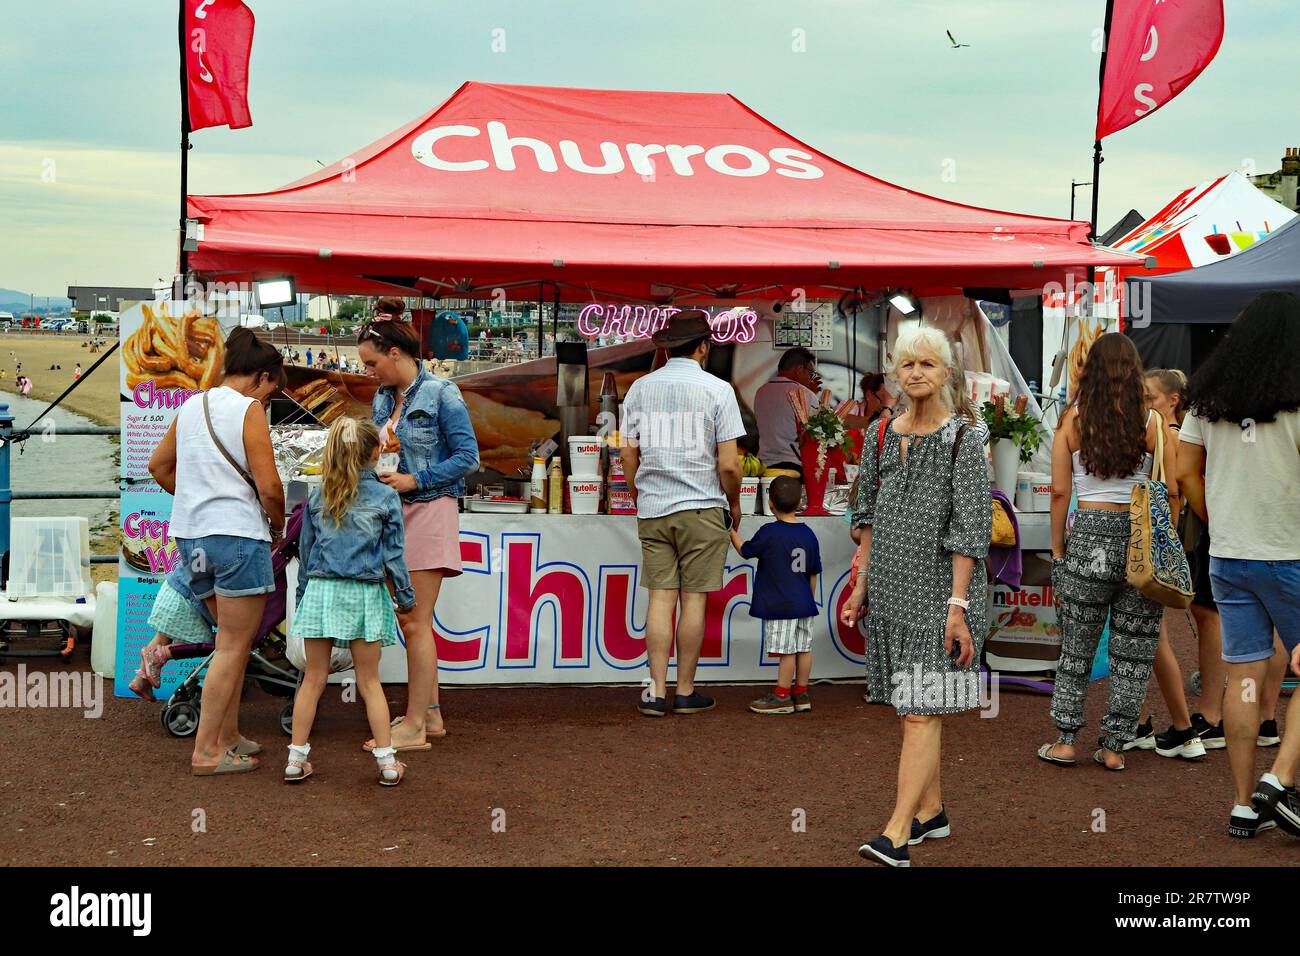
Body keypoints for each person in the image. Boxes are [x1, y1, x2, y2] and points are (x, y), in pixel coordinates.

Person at [843, 325, 991, 867]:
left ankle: (897, 833)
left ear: (947, 374)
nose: (916, 374)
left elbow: (971, 529)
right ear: (895, 373)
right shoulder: (879, 433)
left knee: (920, 710)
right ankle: (931, 810)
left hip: (942, 597)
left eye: (928, 364)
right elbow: (869, 518)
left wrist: (959, 609)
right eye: (908, 365)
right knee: (915, 706)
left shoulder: (964, 439)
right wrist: (860, 585)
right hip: (889, 591)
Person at [1177, 290, 1300, 840]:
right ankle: (1281, 777)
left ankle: (1244, 803)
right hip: (1292, 553)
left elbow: (1184, 473)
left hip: (1230, 556)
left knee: (1244, 678)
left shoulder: (1208, 399)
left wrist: (1220, 517)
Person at [148, 327, 286, 775]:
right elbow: (268, 485)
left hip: (191, 538)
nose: (268, 400)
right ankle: (207, 752)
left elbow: (158, 466)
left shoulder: (191, 404)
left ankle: (228, 737)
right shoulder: (248, 410)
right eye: (271, 391)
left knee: (229, 642)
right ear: (261, 378)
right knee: (233, 645)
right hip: (238, 536)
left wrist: (194, 498)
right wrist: (278, 523)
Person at [1037, 333, 1173, 773]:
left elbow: (1060, 493)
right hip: (1139, 538)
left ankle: (1065, 740)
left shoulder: (1072, 419)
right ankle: (1115, 744)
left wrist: (1058, 550)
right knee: (1134, 648)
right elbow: (1169, 489)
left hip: (1089, 536)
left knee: (1076, 645)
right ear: (1134, 372)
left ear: (1089, 371)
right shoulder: (1151, 421)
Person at [358, 298, 479, 749]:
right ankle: (429, 715)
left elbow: (469, 457)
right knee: (414, 619)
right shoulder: (383, 397)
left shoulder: (443, 393)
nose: (370, 371)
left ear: (395, 353)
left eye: (373, 362)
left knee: (413, 620)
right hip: (398, 511)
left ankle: (412, 726)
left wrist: (415, 478)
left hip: (428, 508)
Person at [621, 310, 745, 717]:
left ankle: (655, 692)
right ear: (704, 347)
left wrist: (641, 492)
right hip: (702, 507)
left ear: (667, 348)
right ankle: (685, 690)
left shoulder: (639, 388)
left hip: (654, 508)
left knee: (660, 598)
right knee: (693, 601)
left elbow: (626, 451)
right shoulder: (718, 390)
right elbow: (729, 465)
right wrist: (735, 504)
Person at [286, 417, 415, 786]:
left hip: (323, 591)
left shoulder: (318, 495)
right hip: (364, 593)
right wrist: (405, 597)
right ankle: (387, 762)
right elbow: (393, 557)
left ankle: (296, 758)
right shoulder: (386, 497)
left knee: (312, 678)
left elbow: (306, 558)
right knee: (369, 681)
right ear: (377, 453)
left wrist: (303, 598)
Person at [1125, 369, 1203, 759]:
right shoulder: (1168, 431)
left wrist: (1162, 542)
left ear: (1171, 400)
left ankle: (1185, 729)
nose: (1145, 403)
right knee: (1144, 639)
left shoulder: (1168, 433)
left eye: (1150, 396)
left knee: (1154, 641)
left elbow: (1175, 491)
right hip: (1159, 546)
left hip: (1152, 546)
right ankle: (1141, 723)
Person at [729, 476, 821, 714]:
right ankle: (801, 694)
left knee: (787, 651)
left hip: (781, 604)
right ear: (800, 501)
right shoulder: (808, 534)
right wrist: (809, 599)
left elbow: (745, 551)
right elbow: (813, 573)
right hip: (804, 603)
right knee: (804, 648)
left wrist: (731, 531)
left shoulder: (769, 531)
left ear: (770, 504)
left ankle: (781, 696)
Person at [753, 347, 822, 475]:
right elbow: (816, 433)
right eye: (810, 373)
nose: (810, 379)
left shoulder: (761, 392)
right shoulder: (805, 393)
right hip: (793, 466)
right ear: (799, 369)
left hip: (764, 465)